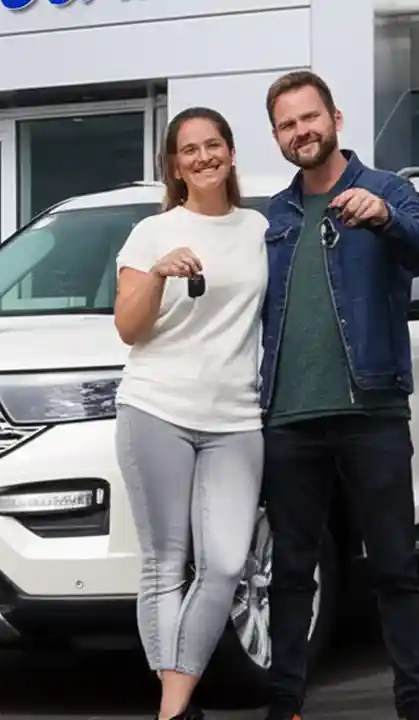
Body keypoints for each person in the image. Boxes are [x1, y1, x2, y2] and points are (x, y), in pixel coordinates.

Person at [256, 70, 419, 720]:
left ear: (335, 118)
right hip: (288, 418)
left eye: (309, 118)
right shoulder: (274, 216)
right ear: (277, 136)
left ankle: (414, 704)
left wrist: (388, 218)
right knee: (288, 574)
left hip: (373, 412)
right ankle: (285, 705)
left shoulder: (386, 189)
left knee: (395, 568)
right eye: (287, 124)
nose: (300, 132)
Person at [112, 106, 271, 720]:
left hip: (236, 417)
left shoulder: (259, 227)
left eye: (213, 146)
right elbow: (129, 328)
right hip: (157, 407)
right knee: (164, 562)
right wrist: (157, 273)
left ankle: (172, 708)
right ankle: (175, 709)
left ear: (231, 153)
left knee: (227, 562)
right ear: (174, 167)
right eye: (188, 150)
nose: (202, 157)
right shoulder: (151, 234)